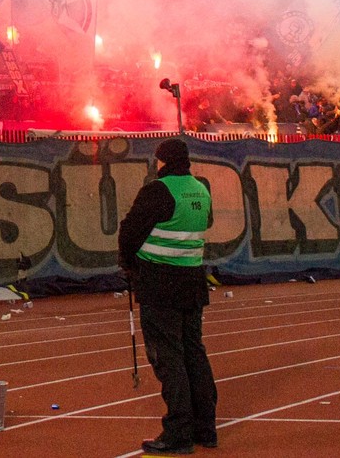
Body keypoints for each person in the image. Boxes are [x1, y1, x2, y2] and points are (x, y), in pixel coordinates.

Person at [117, 137, 219, 453]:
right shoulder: (201, 189)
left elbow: (129, 233)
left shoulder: (157, 191)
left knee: (169, 358)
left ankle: (178, 432)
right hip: (192, 282)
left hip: (160, 284)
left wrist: (129, 265)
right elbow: (207, 222)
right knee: (194, 354)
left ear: (162, 162)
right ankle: (206, 429)